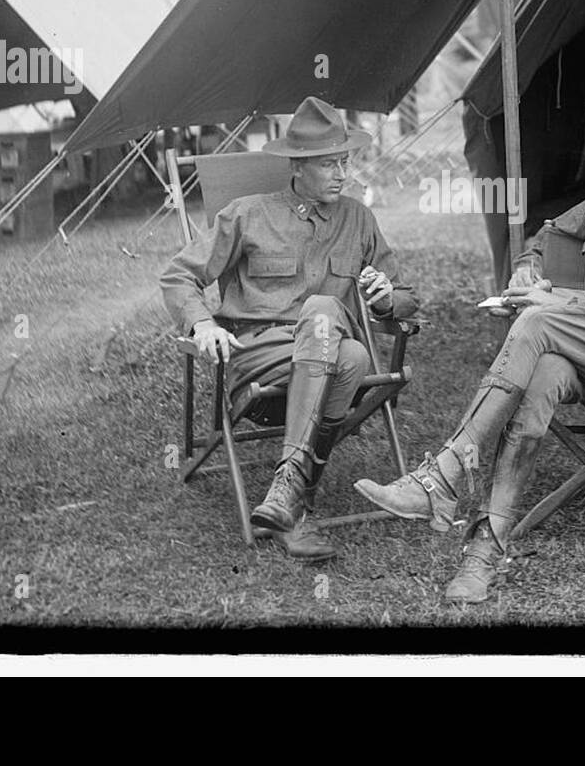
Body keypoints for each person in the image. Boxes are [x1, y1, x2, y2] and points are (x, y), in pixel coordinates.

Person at [355, 87, 585, 602]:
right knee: (539, 382)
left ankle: (443, 474)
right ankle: (483, 553)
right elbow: (541, 238)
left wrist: (560, 305)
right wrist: (529, 271)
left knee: (536, 324)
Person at [161, 97, 419, 562]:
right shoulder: (247, 214)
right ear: (297, 167)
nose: (342, 173)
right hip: (262, 355)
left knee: (354, 354)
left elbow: (406, 295)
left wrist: (385, 298)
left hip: (332, 354)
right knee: (334, 327)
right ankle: (298, 488)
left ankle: (287, 494)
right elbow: (179, 275)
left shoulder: (358, 218)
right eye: (328, 164)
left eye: (345, 161)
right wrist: (202, 323)